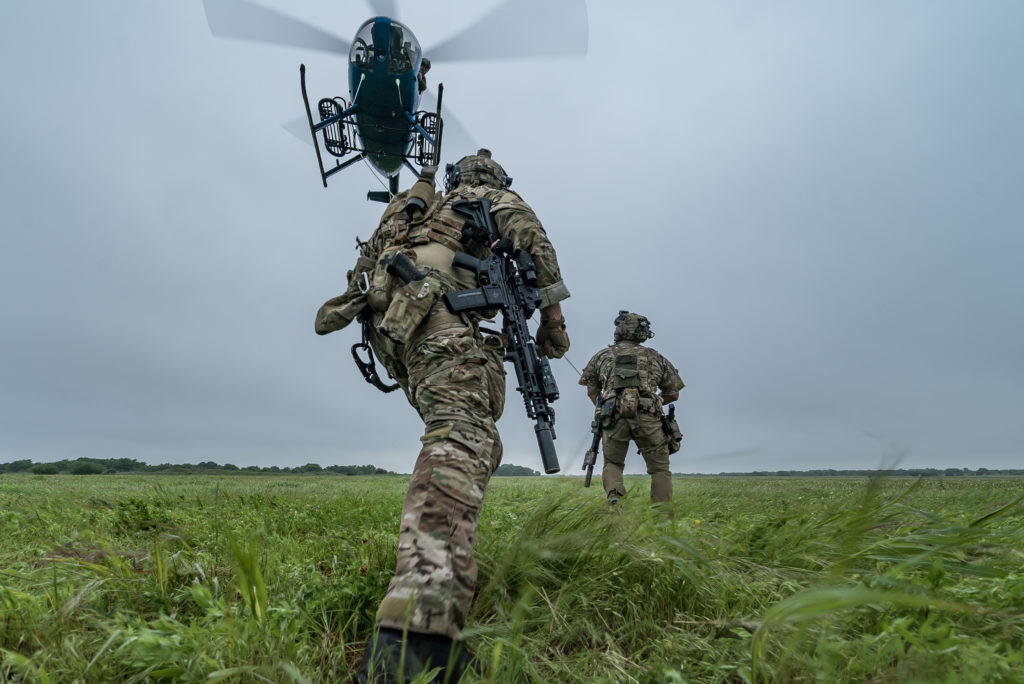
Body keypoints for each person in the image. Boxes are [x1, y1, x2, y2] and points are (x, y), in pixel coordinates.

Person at [314, 149, 570, 682]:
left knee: (471, 440)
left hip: (397, 334)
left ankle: (433, 593)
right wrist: (553, 323)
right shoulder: (485, 198)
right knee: (461, 437)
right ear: (492, 180)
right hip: (436, 316)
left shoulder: (417, 211)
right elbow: (533, 241)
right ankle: (413, 638)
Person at [579, 311, 683, 505]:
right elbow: (674, 393)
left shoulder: (602, 355)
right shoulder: (655, 357)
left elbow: (592, 391)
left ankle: (615, 496)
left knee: (612, 463)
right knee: (659, 469)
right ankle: (661, 517)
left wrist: (606, 408)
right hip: (649, 416)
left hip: (613, 417)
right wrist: (657, 400)